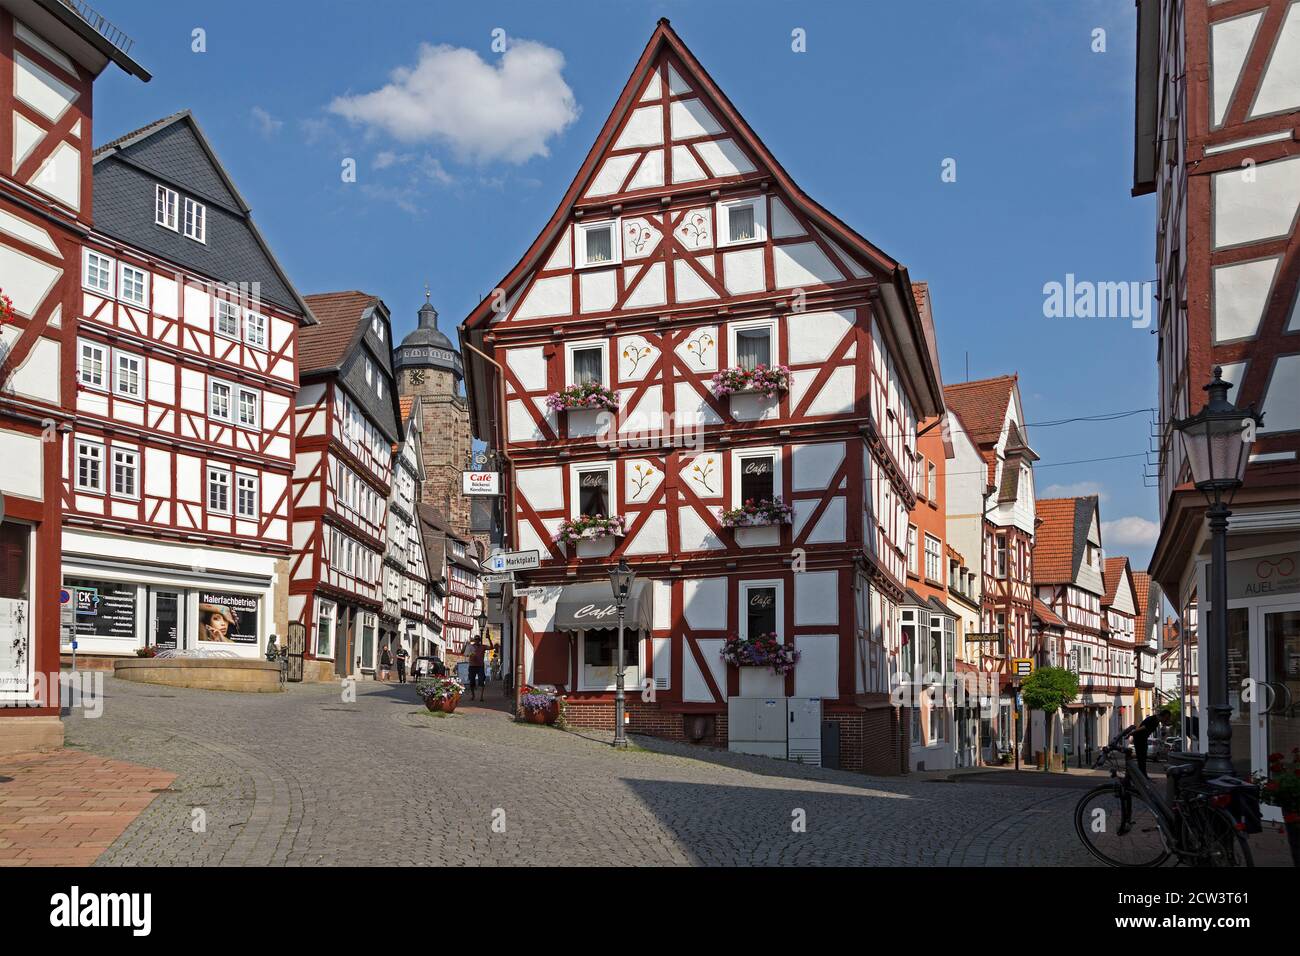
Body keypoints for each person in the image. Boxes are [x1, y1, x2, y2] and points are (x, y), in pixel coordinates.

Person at [1131, 708, 1173, 776]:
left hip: (1142, 738)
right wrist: (1132, 732)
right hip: (1139, 738)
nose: (1166, 720)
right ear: (1164, 716)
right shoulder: (1154, 720)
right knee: (1141, 758)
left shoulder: (1156, 720)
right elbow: (1144, 727)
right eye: (1166, 718)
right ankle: (1141, 775)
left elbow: (1165, 723)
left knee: (1143, 758)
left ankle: (1143, 774)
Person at [464, 633, 494, 701]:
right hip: (472, 666)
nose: (477, 641)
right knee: (472, 682)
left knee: (481, 681)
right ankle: (473, 695)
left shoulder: (483, 647)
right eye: (476, 639)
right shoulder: (470, 646)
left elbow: (492, 647)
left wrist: (489, 638)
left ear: (480, 640)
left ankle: (481, 697)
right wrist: (466, 645)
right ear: (474, 640)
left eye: (478, 640)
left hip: (480, 666)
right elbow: (464, 653)